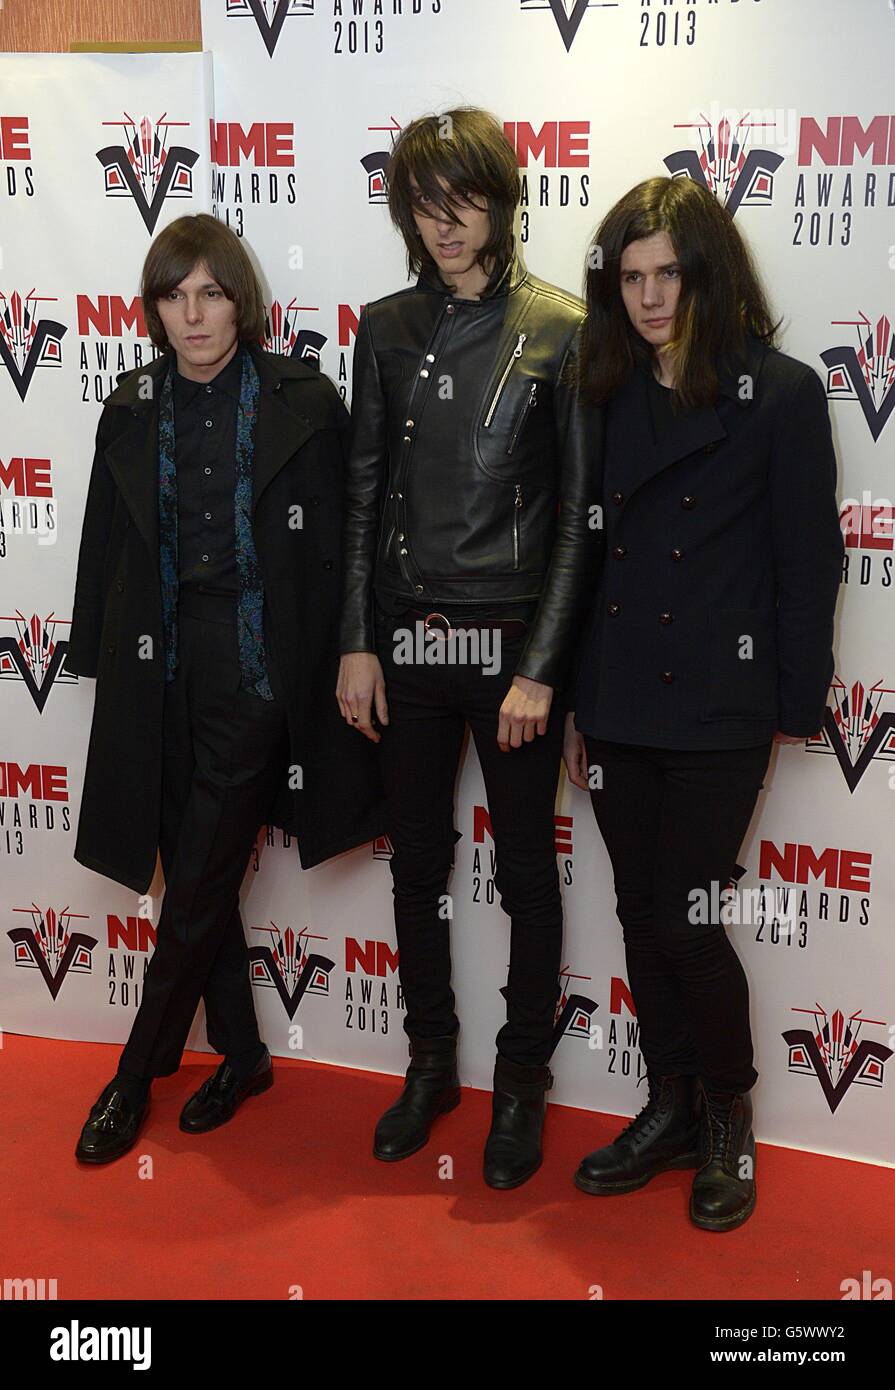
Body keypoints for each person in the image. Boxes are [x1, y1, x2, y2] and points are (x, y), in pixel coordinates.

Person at [68, 213, 385, 1164]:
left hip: (258, 666)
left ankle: (135, 1075)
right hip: (157, 665)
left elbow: (348, 540)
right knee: (196, 870)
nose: (194, 314)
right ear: (154, 309)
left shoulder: (301, 398)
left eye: (211, 293)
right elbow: (104, 539)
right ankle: (243, 1056)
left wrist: (352, 649)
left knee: (200, 871)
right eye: (174, 296)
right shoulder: (130, 405)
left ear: (240, 301)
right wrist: (91, 650)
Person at [563, 175, 843, 1230]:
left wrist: (793, 701)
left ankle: (728, 1111)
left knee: (684, 920)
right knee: (640, 916)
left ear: (707, 275)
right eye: (630, 276)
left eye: (668, 273)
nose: (648, 297)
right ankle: (669, 1104)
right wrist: (578, 698)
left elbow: (808, 563)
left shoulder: (779, 393)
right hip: (618, 698)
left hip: (719, 705)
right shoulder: (604, 389)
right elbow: (587, 559)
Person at [336, 108, 602, 1189]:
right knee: (417, 860)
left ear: (502, 199)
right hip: (405, 639)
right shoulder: (385, 327)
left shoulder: (563, 327)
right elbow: (361, 496)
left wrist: (539, 667)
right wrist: (356, 641)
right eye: (424, 204)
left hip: (507, 648)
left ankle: (522, 1078)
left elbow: (581, 518)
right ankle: (430, 1062)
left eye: (463, 200)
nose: (443, 224)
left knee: (526, 869)